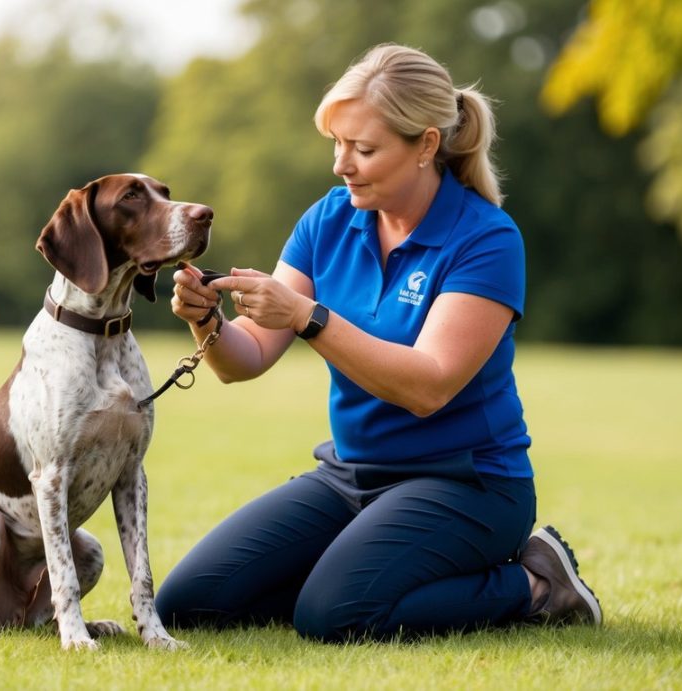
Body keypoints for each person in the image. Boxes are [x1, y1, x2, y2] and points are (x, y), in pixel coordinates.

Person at [155, 43, 602, 642]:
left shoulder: (487, 239)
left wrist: (310, 317)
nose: (342, 164)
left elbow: (428, 386)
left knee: (332, 617)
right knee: (188, 604)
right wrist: (206, 323)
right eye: (337, 144)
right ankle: (356, 568)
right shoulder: (328, 219)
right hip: (350, 475)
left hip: (467, 484)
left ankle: (537, 585)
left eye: (364, 149)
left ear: (425, 145)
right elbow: (248, 358)